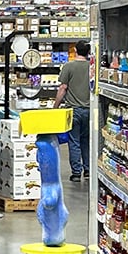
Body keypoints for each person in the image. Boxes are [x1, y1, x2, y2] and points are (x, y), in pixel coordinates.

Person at [53, 40, 90, 182]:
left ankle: (76, 172)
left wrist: (55, 106)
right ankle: (87, 170)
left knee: (74, 142)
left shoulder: (68, 66)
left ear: (75, 50)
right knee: (86, 141)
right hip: (88, 110)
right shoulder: (91, 67)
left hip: (73, 111)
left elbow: (63, 88)